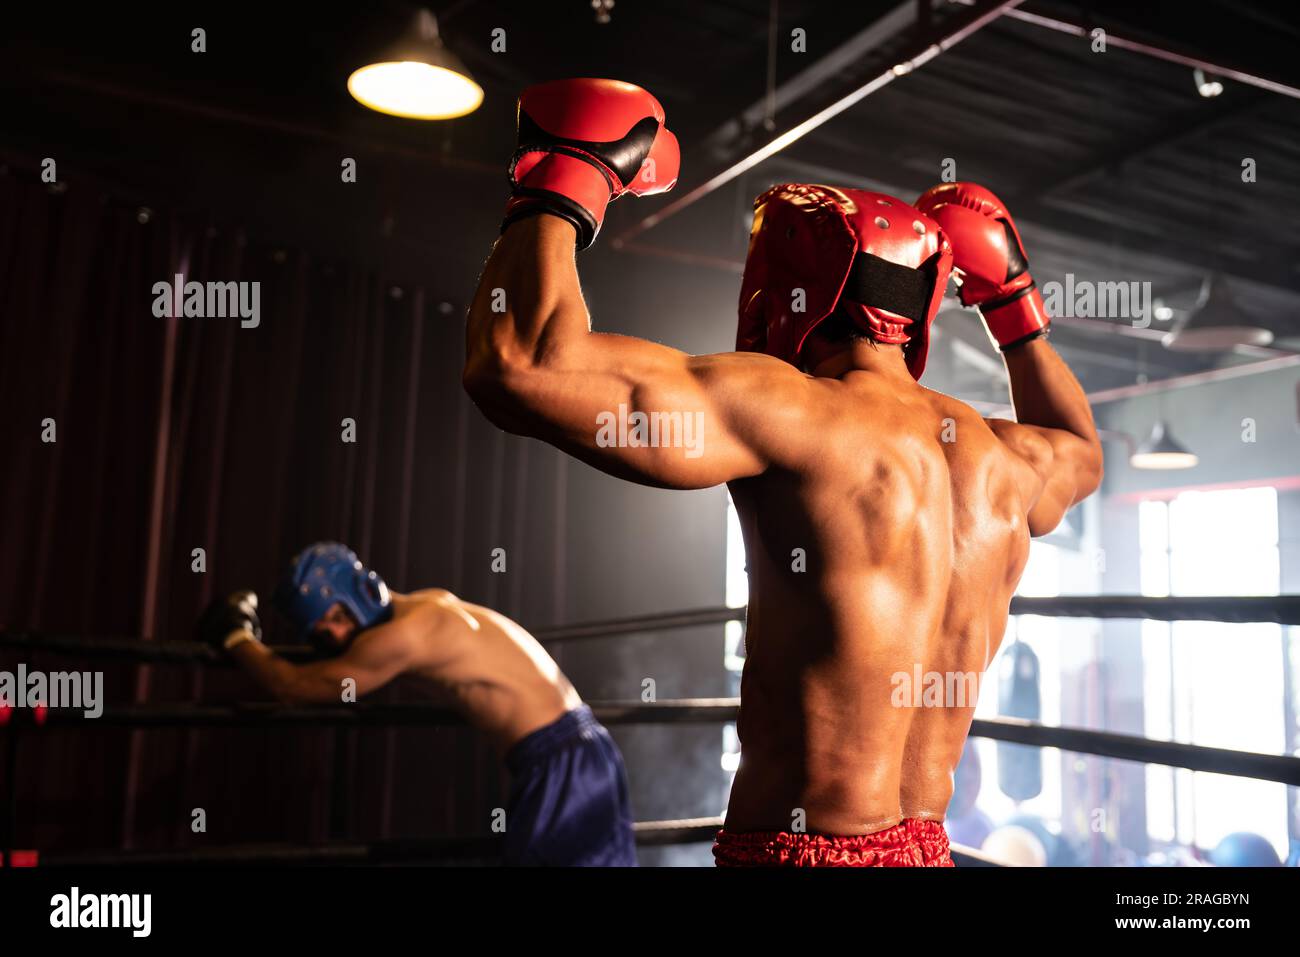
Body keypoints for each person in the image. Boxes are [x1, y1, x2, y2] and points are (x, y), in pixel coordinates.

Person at [463, 77, 1103, 866]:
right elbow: (1082, 450)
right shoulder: (1004, 458)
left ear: (796, 281)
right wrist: (1015, 310)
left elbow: (518, 361)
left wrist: (565, 178)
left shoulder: (794, 411)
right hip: (930, 848)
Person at [196, 542, 637, 866]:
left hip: (560, 763)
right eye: (320, 630)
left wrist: (236, 636)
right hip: (585, 750)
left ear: (362, 592)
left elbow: (290, 687)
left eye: (335, 616)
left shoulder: (402, 637)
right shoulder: (425, 606)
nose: (332, 635)